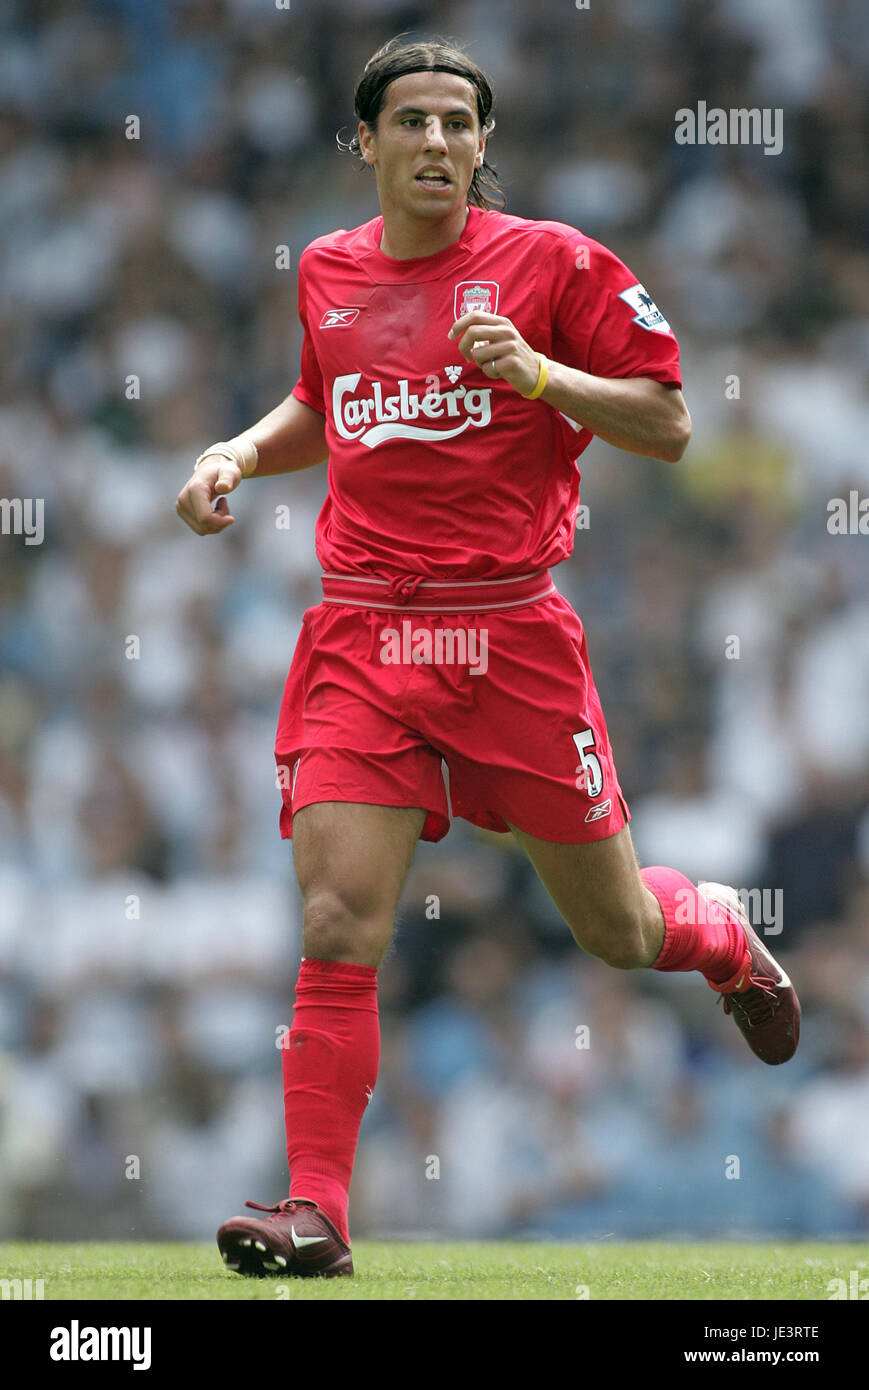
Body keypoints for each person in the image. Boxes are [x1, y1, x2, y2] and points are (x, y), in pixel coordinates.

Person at [176, 37, 799, 1280]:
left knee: (617, 931)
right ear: (365, 141)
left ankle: (718, 932)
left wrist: (541, 373)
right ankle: (317, 1216)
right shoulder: (329, 272)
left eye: (459, 123)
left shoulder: (553, 264)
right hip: (363, 630)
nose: (436, 143)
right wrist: (237, 453)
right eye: (410, 121)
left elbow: (670, 423)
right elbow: (327, 402)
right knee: (339, 920)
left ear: (482, 145)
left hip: (508, 639)